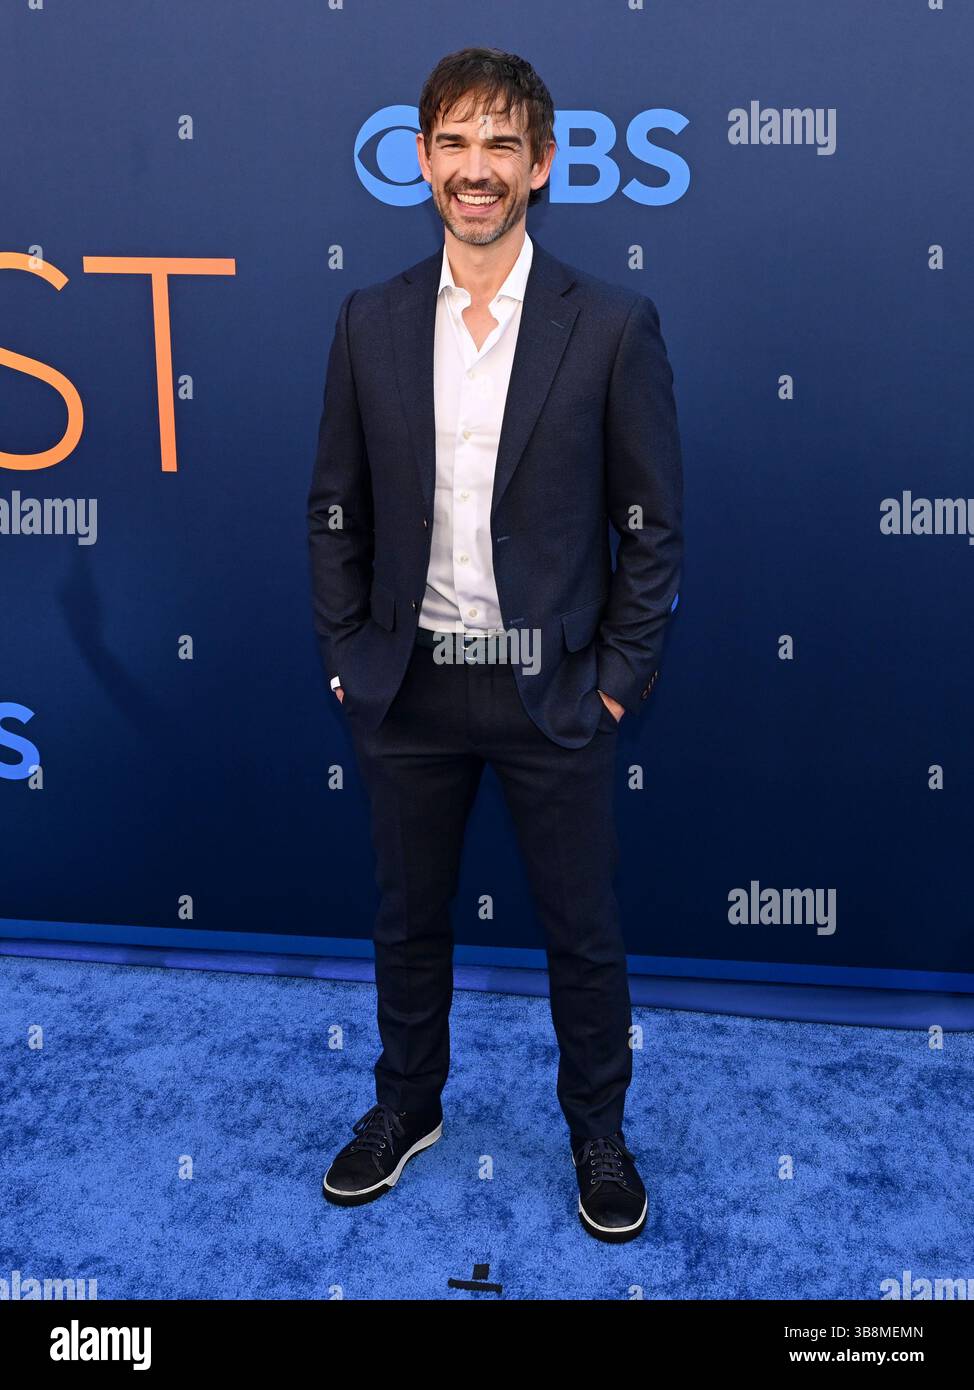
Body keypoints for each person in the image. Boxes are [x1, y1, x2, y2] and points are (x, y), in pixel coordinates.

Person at [307, 46, 682, 1243]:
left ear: (540, 164)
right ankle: (404, 1108)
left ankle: (596, 1134)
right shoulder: (367, 320)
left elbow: (653, 527)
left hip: (551, 692)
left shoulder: (612, 324)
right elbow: (334, 506)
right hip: (405, 682)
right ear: (420, 159)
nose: (476, 170)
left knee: (580, 928)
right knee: (406, 918)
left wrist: (615, 683)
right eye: (455, 144)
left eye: (500, 145)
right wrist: (343, 649)